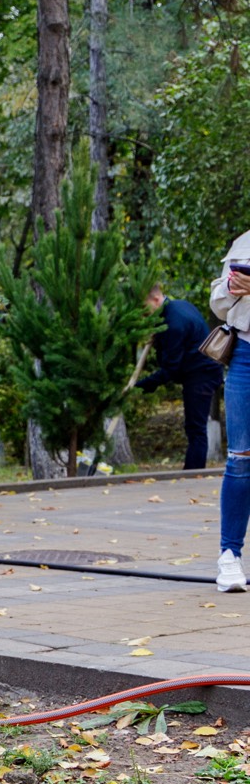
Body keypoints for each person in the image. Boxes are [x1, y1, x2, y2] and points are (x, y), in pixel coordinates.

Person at [138, 283, 225, 471]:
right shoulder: (179, 306)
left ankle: (192, 475)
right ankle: (192, 472)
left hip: (202, 374)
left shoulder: (173, 323)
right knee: (194, 427)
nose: (143, 314)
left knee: (196, 428)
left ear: (155, 299)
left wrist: (140, 386)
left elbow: (170, 370)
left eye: (144, 308)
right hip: (200, 370)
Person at [209, 234, 250, 594]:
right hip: (245, 357)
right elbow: (218, 304)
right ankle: (229, 556)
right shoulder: (245, 243)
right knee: (240, 458)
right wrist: (233, 288)